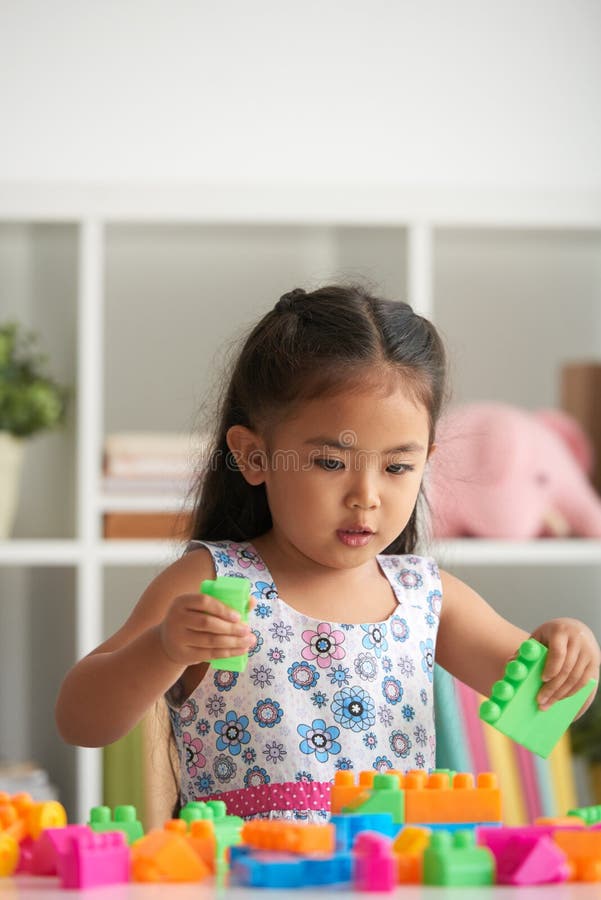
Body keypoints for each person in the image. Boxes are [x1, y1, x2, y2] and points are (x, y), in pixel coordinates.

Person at [56, 284, 600, 821]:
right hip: (247, 868)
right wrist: (162, 649)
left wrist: (571, 651)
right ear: (254, 457)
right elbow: (81, 720)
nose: (366, 496)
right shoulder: (215, 582)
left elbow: (553, 701)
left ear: (426, 462)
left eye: (397, 467)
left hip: (396, 867)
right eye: (330, 463)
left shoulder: (425, 597)